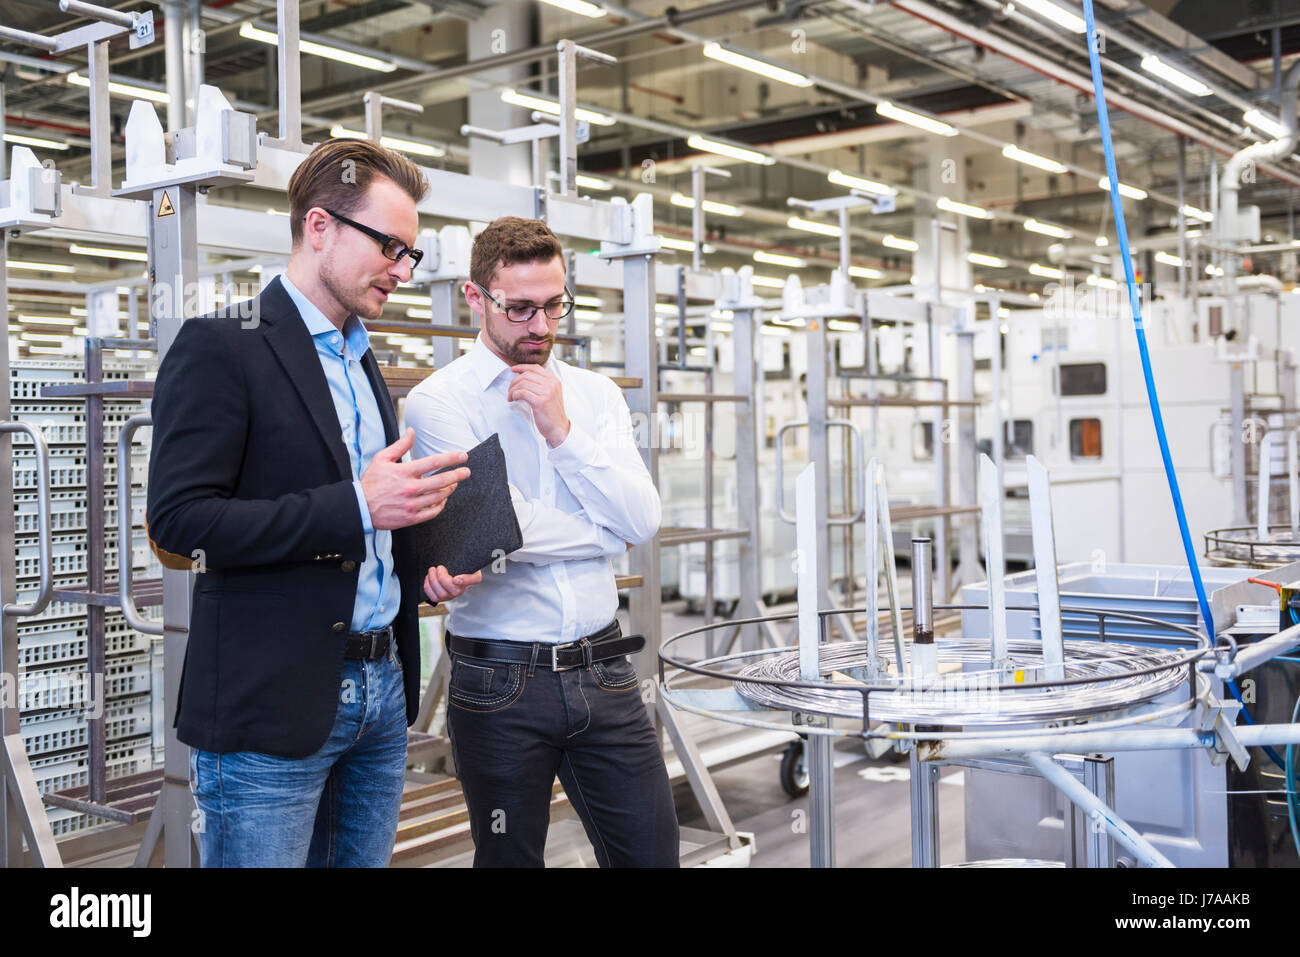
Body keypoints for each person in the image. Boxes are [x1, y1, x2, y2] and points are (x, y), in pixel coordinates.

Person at [146, 138, 481, 868]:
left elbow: (366, 518)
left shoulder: (362, 359)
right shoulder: (222, 345)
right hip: (272, 704)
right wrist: (357, 505)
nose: (402, 268)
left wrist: (420, 567)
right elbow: (180, 521)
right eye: (390, 245)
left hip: (381, 690)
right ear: (320, 227)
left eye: (410, 253)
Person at [404, 216, 679, 867]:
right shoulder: (439, 402)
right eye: (521, 308)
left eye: (554, 304)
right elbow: (496, 528)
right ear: (478, 299)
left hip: (606, 670)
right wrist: (598, 529)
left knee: (652, 854)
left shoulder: (595, 396)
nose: (541, 325)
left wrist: (561, 431)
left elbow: (641, 520)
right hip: (499, 682)